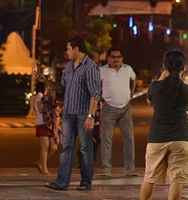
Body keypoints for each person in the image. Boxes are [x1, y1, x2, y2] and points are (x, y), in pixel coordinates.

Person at [44, 37, 101, 191]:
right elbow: (62, 88)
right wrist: (47, 82)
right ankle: (62, 182)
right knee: (66, 147)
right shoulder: (69, 66)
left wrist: (91, 116)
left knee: (85, 149)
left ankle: (86, 182)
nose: (67, 52)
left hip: (83, 114)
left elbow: (95, 94)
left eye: (68, 48)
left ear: (76, 49)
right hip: (69, 113)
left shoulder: (90, 67)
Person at [139, 50, 188, 200]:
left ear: (164, 66)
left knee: (150, 178)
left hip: (157, 137)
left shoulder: (155, 87)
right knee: (176, 180)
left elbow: (150, 102)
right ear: (183, 68)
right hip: (181, 138)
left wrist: (162, 76)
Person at [99, 47, 138, 177]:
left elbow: (134, 78)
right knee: (106, 139)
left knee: (129, 138)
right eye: (113, 57)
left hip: (125, 108)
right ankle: (106, 169)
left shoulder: (128, 69)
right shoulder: (102, 71)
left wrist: (132, 92)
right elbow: (95, 84)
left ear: (122, 58)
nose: (116, 59)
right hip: (108, 108)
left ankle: (130, 169)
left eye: (119, 57)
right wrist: (99, 96)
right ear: (108, 58)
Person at [34, 81, 60, 175]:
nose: (50, 87)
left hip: (50, 124)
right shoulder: (39, 96)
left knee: (54, 147)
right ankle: (44, 169)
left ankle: (41, 163)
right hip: (42, 123)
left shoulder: (46, 96)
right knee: (45, 147)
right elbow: (40, 110)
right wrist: (51, 107)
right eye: (48, 86)